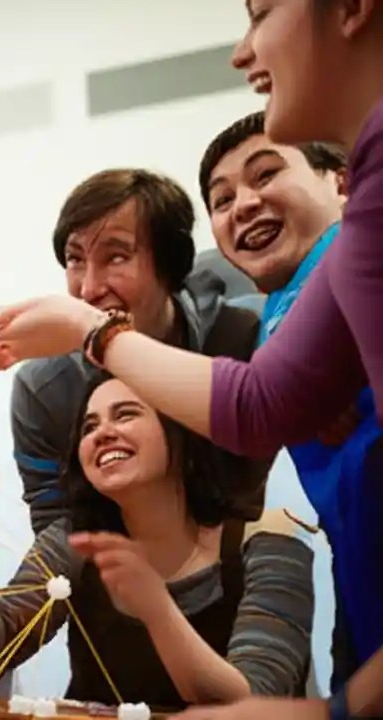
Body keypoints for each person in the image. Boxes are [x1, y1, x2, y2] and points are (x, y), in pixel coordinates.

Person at [0, 1, 383, 716]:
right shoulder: (52, 419)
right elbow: (5, 624)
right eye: (91, 423)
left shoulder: (263, 532)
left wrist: (89, 331)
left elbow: (252, 404)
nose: (243, 52)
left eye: (262, 13)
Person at [0, 377, 314, 710]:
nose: (102, 433)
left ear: (181, 432)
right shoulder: (73, 540)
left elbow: (252, 703)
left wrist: (156, 607)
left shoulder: (268, 541)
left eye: (125, 415)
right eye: (89, 427)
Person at [200, 110, 380, 689]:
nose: (243, 205)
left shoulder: (356, 254)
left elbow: (255, 406)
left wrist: (95, 333)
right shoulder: (273, 311)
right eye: (222, 200)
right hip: (357, 567)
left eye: (266, 174)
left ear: (341, 181)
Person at [11, 169, 269, 536]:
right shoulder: (46, 389)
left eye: (116, 257)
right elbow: (56, 523)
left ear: (171, 264)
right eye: (75, 259)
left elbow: (246, 501)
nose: (89, 289)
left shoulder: (238, 341)